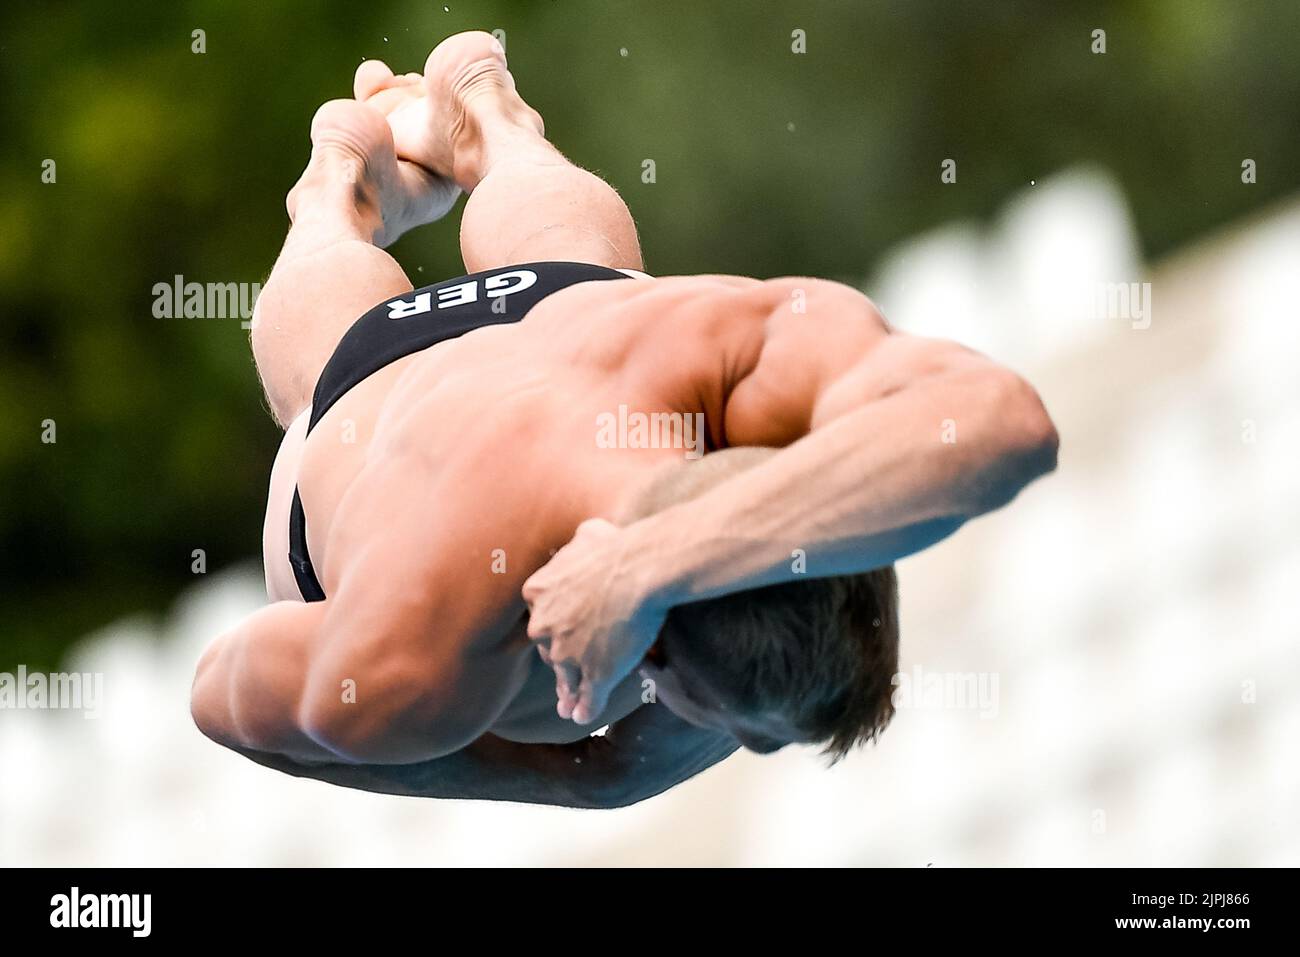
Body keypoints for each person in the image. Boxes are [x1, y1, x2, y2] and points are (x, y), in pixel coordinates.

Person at [190, 32, 1058, 808]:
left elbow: (1008, 424)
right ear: (656, 662)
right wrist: (577, 777)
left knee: (581, 259)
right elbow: (218, 694)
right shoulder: (412, 658)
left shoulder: (744, 356)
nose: (744, 745)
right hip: (373, 389)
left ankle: (474, 135)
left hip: (574, 311)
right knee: (314, 381)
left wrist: (650, 559)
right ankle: (334, 189)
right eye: (742, 731)